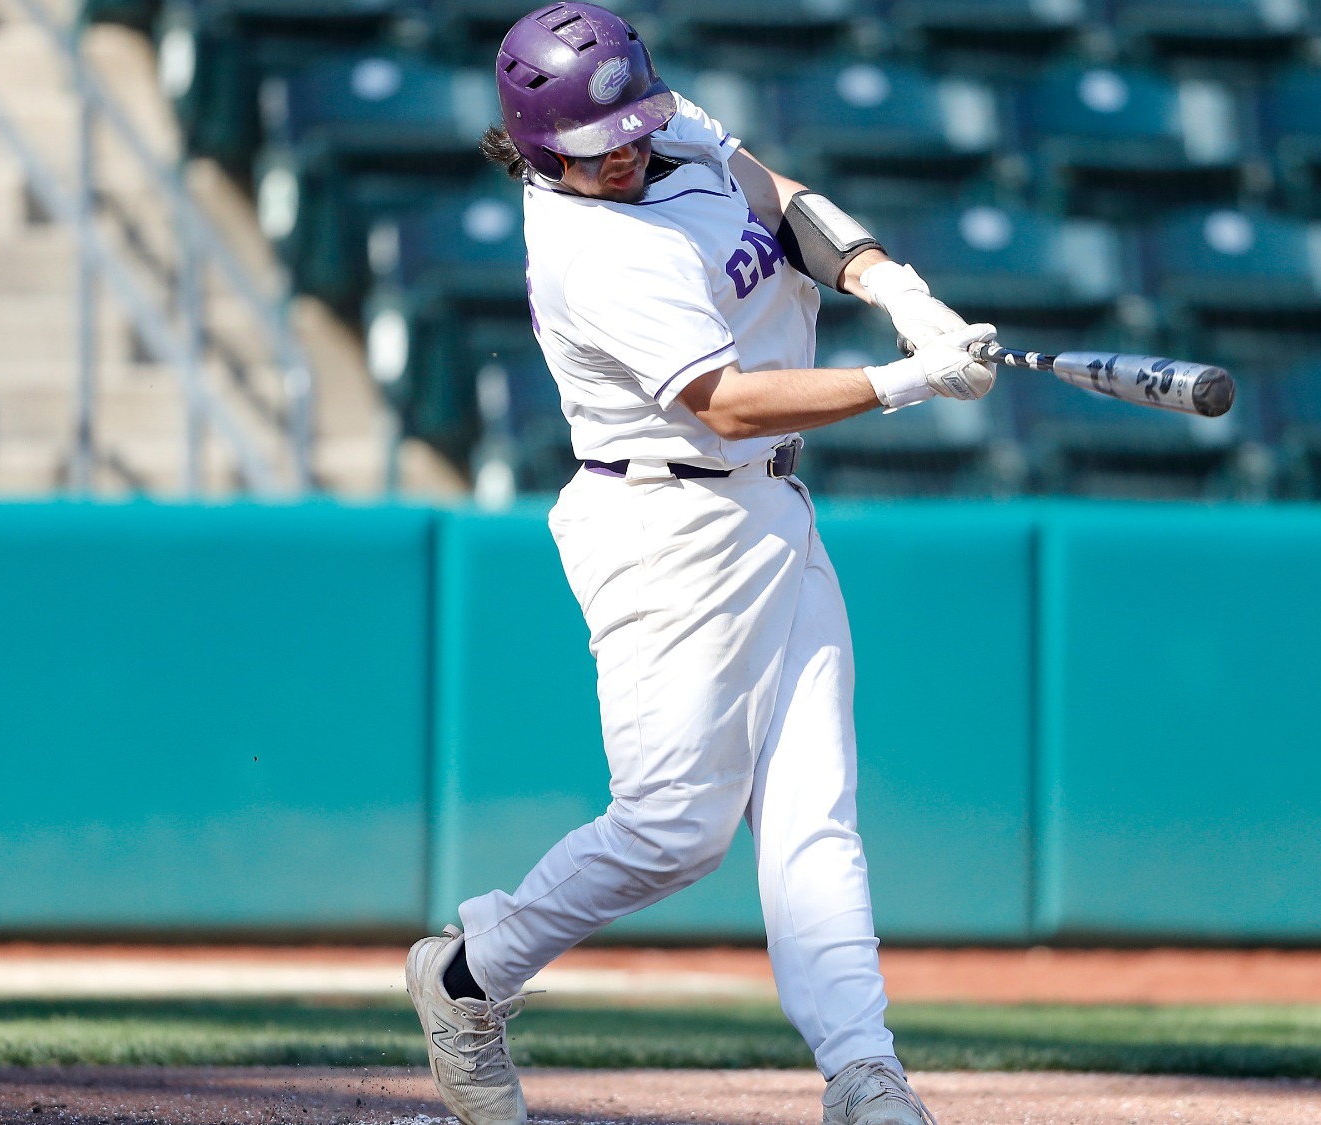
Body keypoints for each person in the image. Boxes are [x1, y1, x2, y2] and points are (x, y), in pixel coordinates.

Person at [403, 6, 997, 1124]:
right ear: (535, 145)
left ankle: (863, 1073)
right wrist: (903, 381)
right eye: (596, 143)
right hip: (662, 527)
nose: (625, 149)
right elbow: (724, 404)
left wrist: (886, 280)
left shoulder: (658, 131)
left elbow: (776, 197)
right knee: (674, 829)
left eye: (632, 123)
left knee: (815, 810)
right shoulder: (592, 251)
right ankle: (466, 977)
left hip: (775, 505)